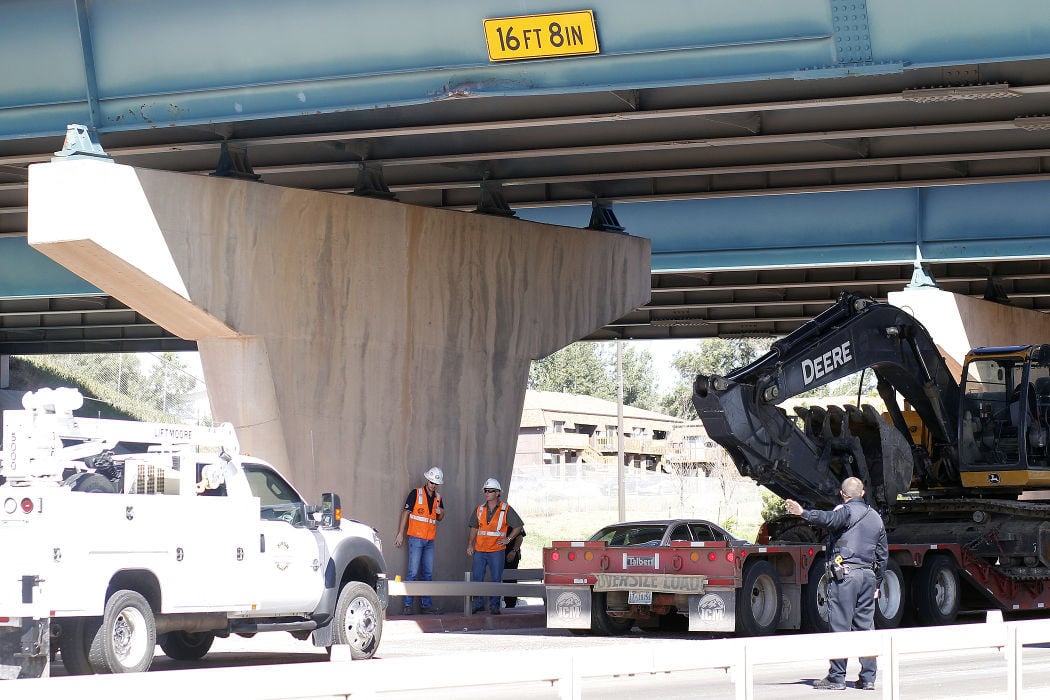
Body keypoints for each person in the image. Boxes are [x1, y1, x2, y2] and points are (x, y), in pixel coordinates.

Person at [785, 477, 888, 691]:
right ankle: (868, 678)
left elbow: (828, 519)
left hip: (846, 577)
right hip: (868, 577)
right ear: (863, 493)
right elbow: (883, 555)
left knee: (840, 626)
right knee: (866, 627)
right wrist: (876, 583)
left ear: (843, 494)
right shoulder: (876, 518)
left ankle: (837, 678)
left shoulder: (846, 511)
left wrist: (803, 513)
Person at [466, 477, 523, 615]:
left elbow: (519, 525)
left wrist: (508, 539)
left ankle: (494, 605)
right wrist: (470, 544)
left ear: (497, 493)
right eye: (485, 490)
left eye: (490, 490)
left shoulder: (505, 509)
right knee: (477, 578)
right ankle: (477, 604)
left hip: (496, 551)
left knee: (496, 579)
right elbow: (474, 527)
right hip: (480, 549)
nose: (487, 493)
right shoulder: (479, 509)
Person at [394, 466, 445, 615]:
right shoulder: (415, 494)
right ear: (427, 480)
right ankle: (407, 605)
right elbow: (406, 513)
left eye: (436, 483)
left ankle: (425, 605)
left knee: (428, 573)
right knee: (413, 572)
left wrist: (440, 512)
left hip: (429, 541)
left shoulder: (438, 498)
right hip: (416, 538)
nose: (433, 485)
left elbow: (441, 517)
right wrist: (400, 534)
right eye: (431, 482)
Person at [502, 525, 526, 609]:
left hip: (510, 554)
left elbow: (520, 537)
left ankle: (510, 605)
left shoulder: (513, 518)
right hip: (497, 553)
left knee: (510, 579)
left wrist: (514, 551)